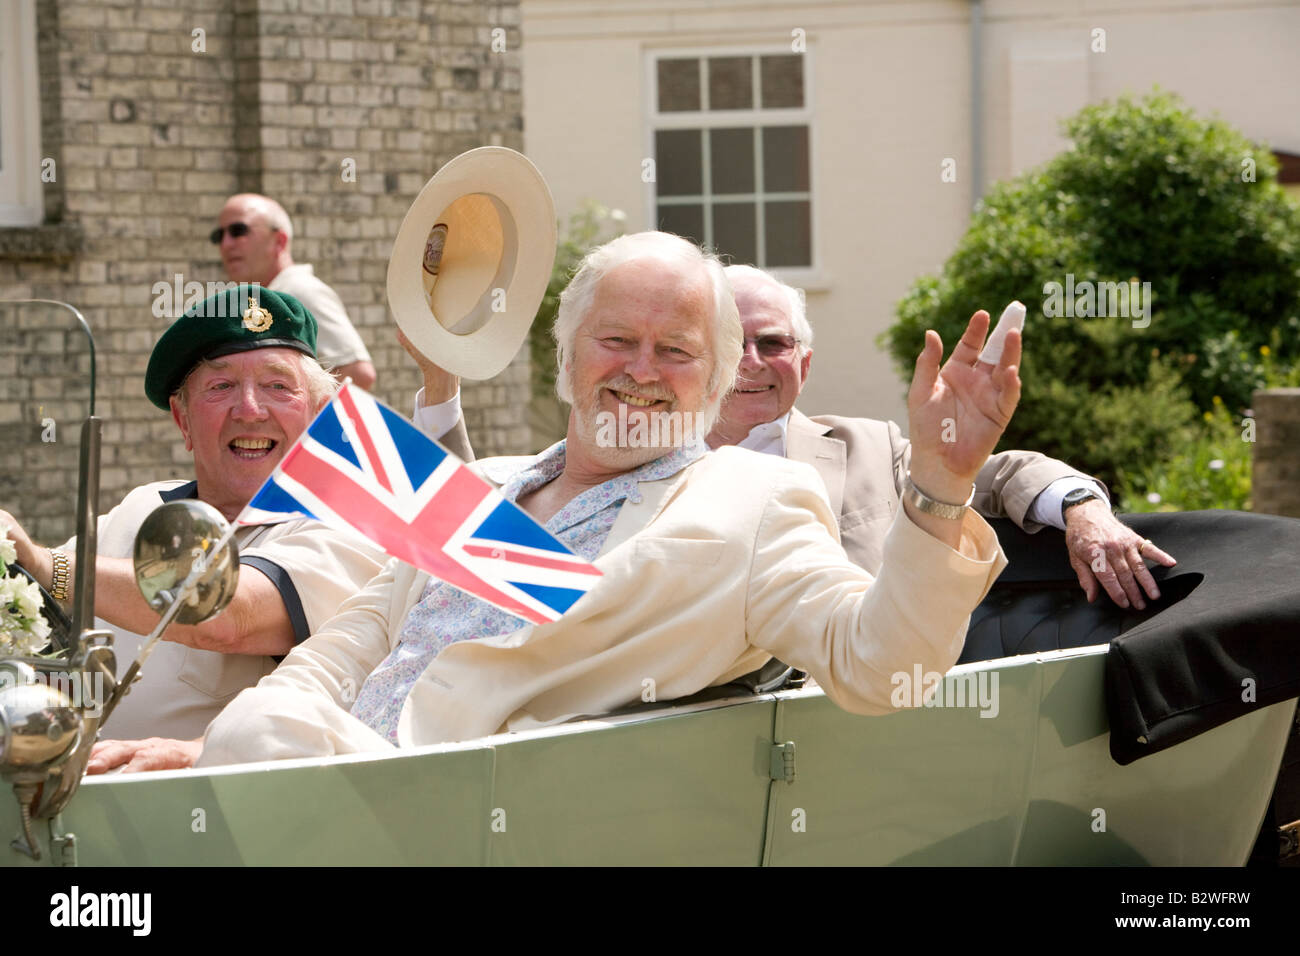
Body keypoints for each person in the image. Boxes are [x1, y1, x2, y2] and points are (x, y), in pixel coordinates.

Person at [196, 231, 1021, 766]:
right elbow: (349, 645)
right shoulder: (485, 485)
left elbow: (881, 667)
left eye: (676, 351)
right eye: (617, 341)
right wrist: (238, 742)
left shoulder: (753, 500)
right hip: (310, 775)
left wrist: (946, 482)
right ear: (567, 355)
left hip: (474, 811)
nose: (640, 371)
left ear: (716, 375)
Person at [0, 286, 471, 772]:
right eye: (220, 387)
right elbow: (35, 607)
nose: (250, 409)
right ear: (183, 419)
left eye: (277, 386)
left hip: (217, 812)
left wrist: (43, 563)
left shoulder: (342, 523)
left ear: (316, 415)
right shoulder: (141, 506)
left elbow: (227, 616)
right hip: (66, 803)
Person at [705, 265, 1177, 611]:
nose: (751, 360)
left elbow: (994, 474)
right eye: (732, 343)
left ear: (803, 365)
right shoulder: (648, 461)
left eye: (772, 343)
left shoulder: (869, 447)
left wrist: (1084, 509)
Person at [213, 193, 378, 390]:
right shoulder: (269, 298)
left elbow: (357, 374)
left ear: (279, 241)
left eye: (238, 230)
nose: (226, 244)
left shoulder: (299, 291)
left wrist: (301, 417)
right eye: (219, 235)